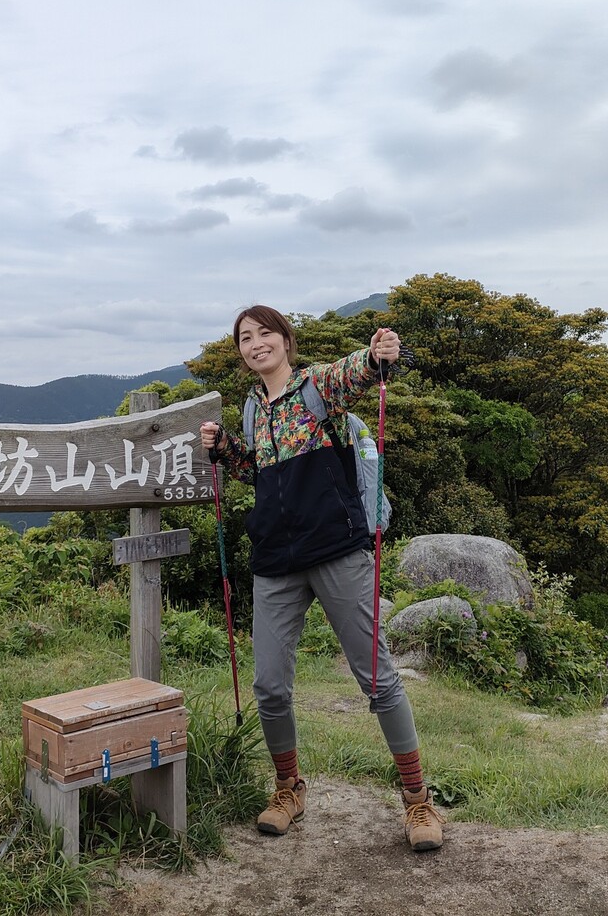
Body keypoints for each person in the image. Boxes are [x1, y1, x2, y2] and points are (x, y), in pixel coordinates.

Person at [199, 305, 445, 852]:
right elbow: (254, 472)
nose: (256, 343)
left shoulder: (316, 387)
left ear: (286, 340)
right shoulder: (252, 413)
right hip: (276, 562)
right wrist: (226, 448)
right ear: (240, 351)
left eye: (265, 333)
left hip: (336, 551)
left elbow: (355, 369)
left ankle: (417, 799)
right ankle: (288, 788)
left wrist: (380, 352)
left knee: (377, 679)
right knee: (268, 685)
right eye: (245, 337)